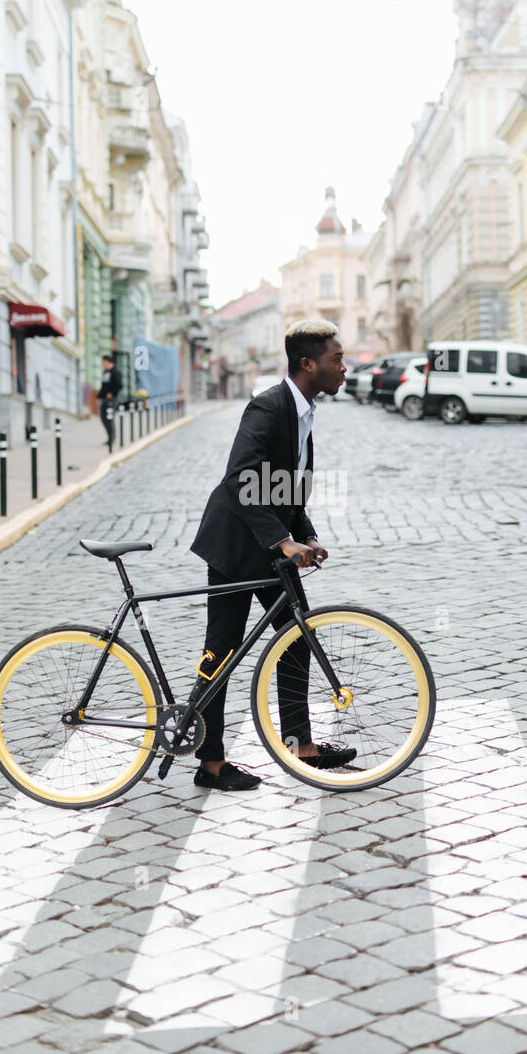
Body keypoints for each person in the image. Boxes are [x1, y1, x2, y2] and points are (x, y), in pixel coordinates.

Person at [188, 320, 357, 790]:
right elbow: (241, 478)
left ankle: (301, 744)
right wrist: (282, 541)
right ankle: (211, 764)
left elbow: (286, 487)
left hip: (269, 550)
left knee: (296, 638)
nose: (344, 367)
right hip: (235, 547)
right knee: (220, 653)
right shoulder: (267, 406)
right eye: (336, 359)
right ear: (308, 364)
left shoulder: (302, 410)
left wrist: (305, 534)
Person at [98, 354, 122, 445]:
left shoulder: (116, 372)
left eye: (103, 362)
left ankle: (112, 439)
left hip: (112, 400)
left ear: (108, 362)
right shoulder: (105, 372)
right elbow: (104, 386)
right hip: (104, 399)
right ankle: (110, 438)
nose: (103, 364)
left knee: (109, 418)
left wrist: (112, 393)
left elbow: (119, 385)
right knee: (103, 418)